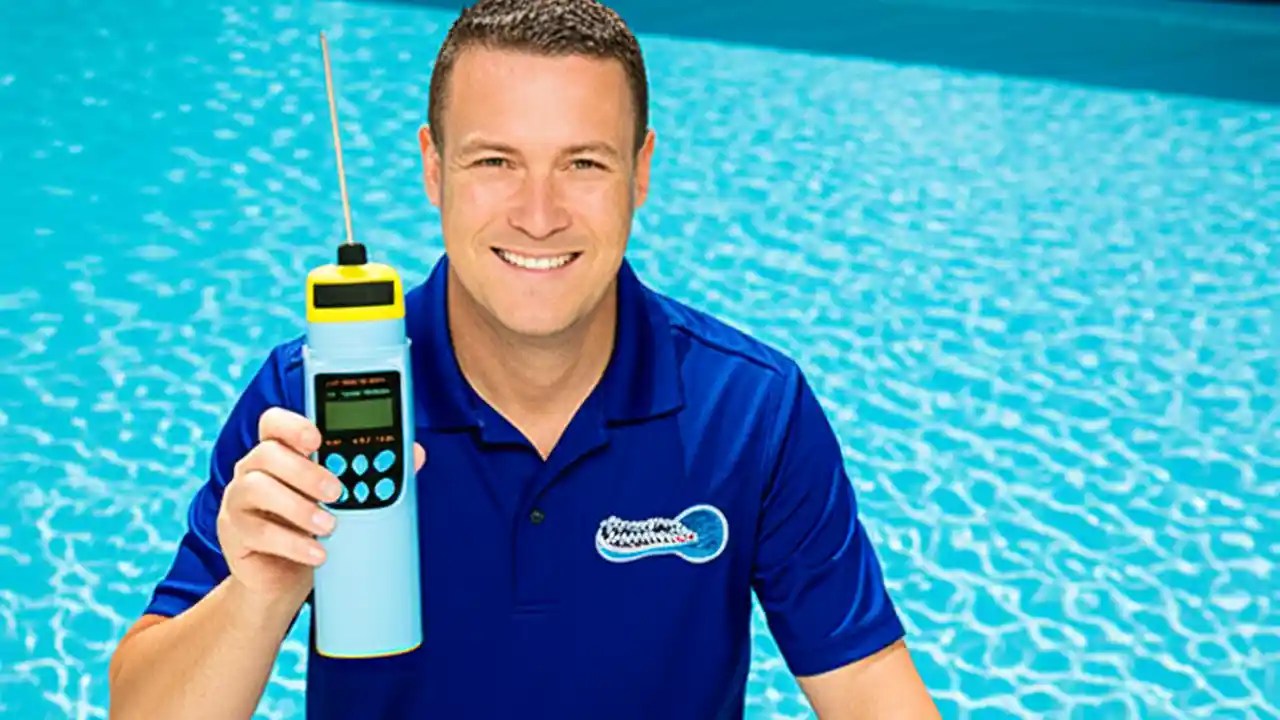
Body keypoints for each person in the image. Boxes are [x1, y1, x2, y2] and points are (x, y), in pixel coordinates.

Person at [107, 0, 941, 717]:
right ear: (434, 167)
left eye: (583, 163)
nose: (539, 215)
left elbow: (869, 684)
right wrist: (257, 595)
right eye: (495, 162)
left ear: (641, 171)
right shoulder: (308, 399)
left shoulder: (752, 409)